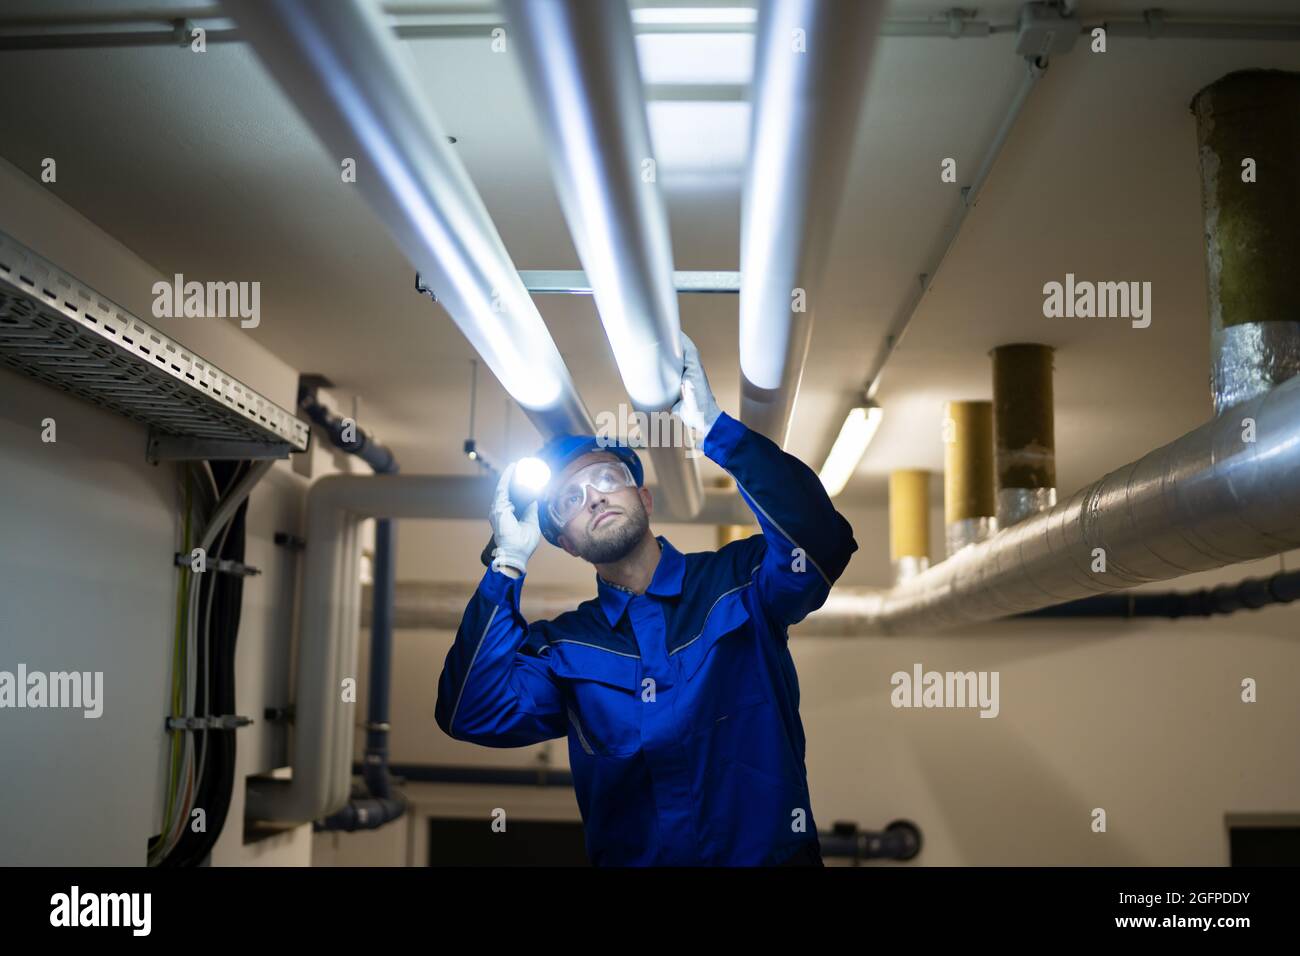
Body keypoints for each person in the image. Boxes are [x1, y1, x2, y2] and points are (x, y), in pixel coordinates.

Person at [435, 334, 858, 865]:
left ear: (644, 497)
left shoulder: (740, 581)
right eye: (569, 499)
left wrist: (715, 429)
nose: (593, 497)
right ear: (565, 542)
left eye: (606, 478)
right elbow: (470, 711)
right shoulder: (562, 648)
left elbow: (823, 544)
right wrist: (507, 564)